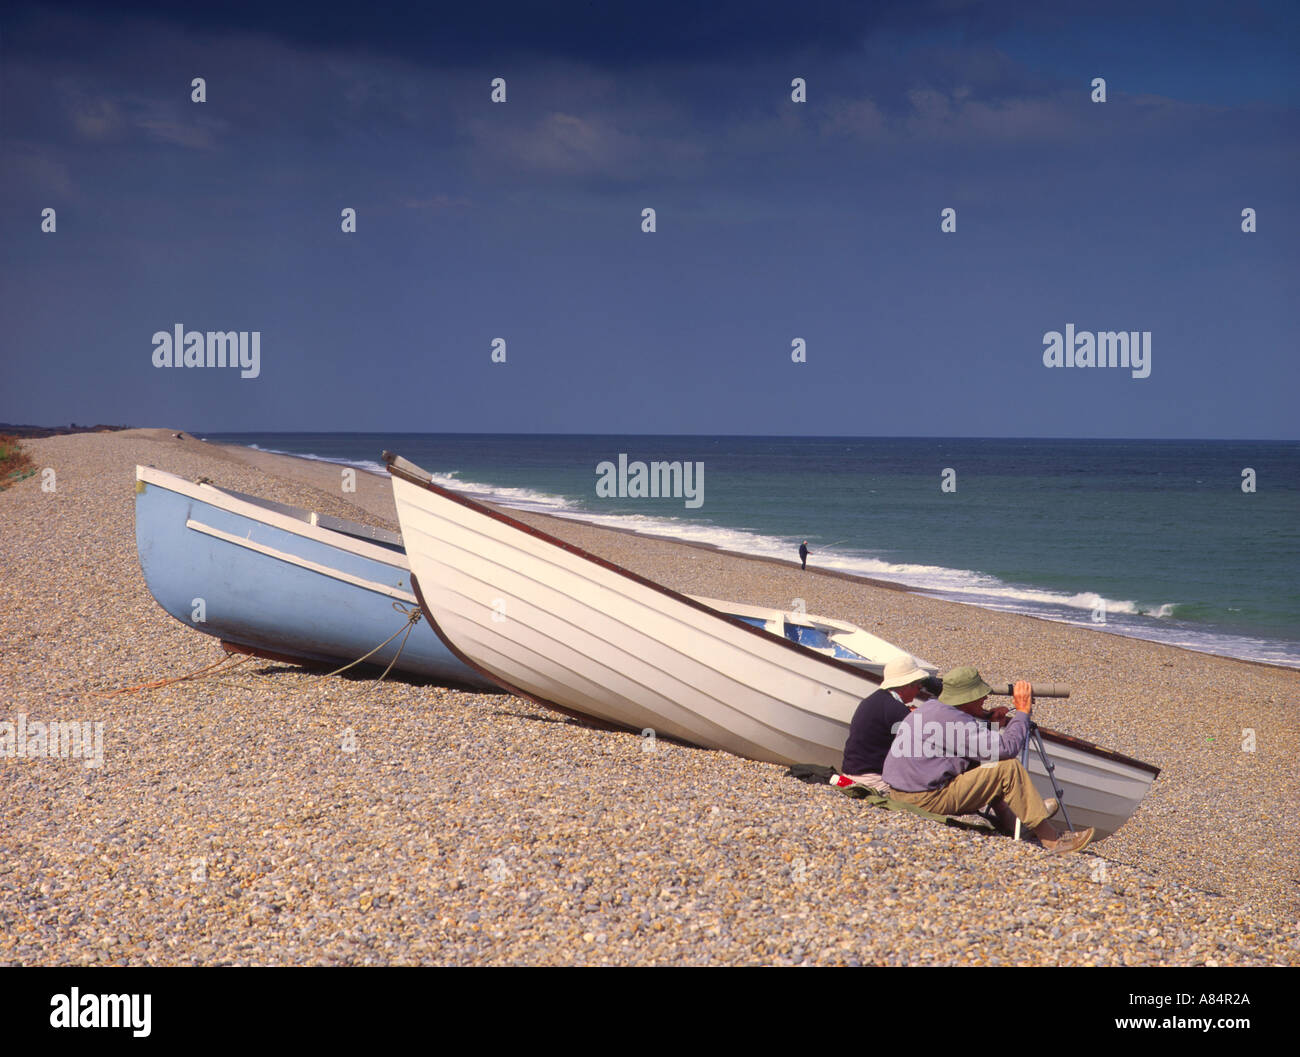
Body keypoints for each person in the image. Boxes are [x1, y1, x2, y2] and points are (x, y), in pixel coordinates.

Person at [881, 666, 1095, 854]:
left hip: (902, 793)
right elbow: (1006, 750)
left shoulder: (932, 709)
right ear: (966, 699)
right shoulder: (954, 719)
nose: (985, 699)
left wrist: (991, 723)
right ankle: (1052, 840)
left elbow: (971, 744)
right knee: (1006, 768)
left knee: (989, 764)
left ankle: (1013, 823)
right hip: (924, 799)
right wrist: (1022, 712)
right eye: (980, 695)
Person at [840, 656, 930, 793]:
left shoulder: (874, 699)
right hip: (872, 780)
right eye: (918, 685)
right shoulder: (896, 709)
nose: (920, 689)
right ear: (906, 685)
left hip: (851, 772)